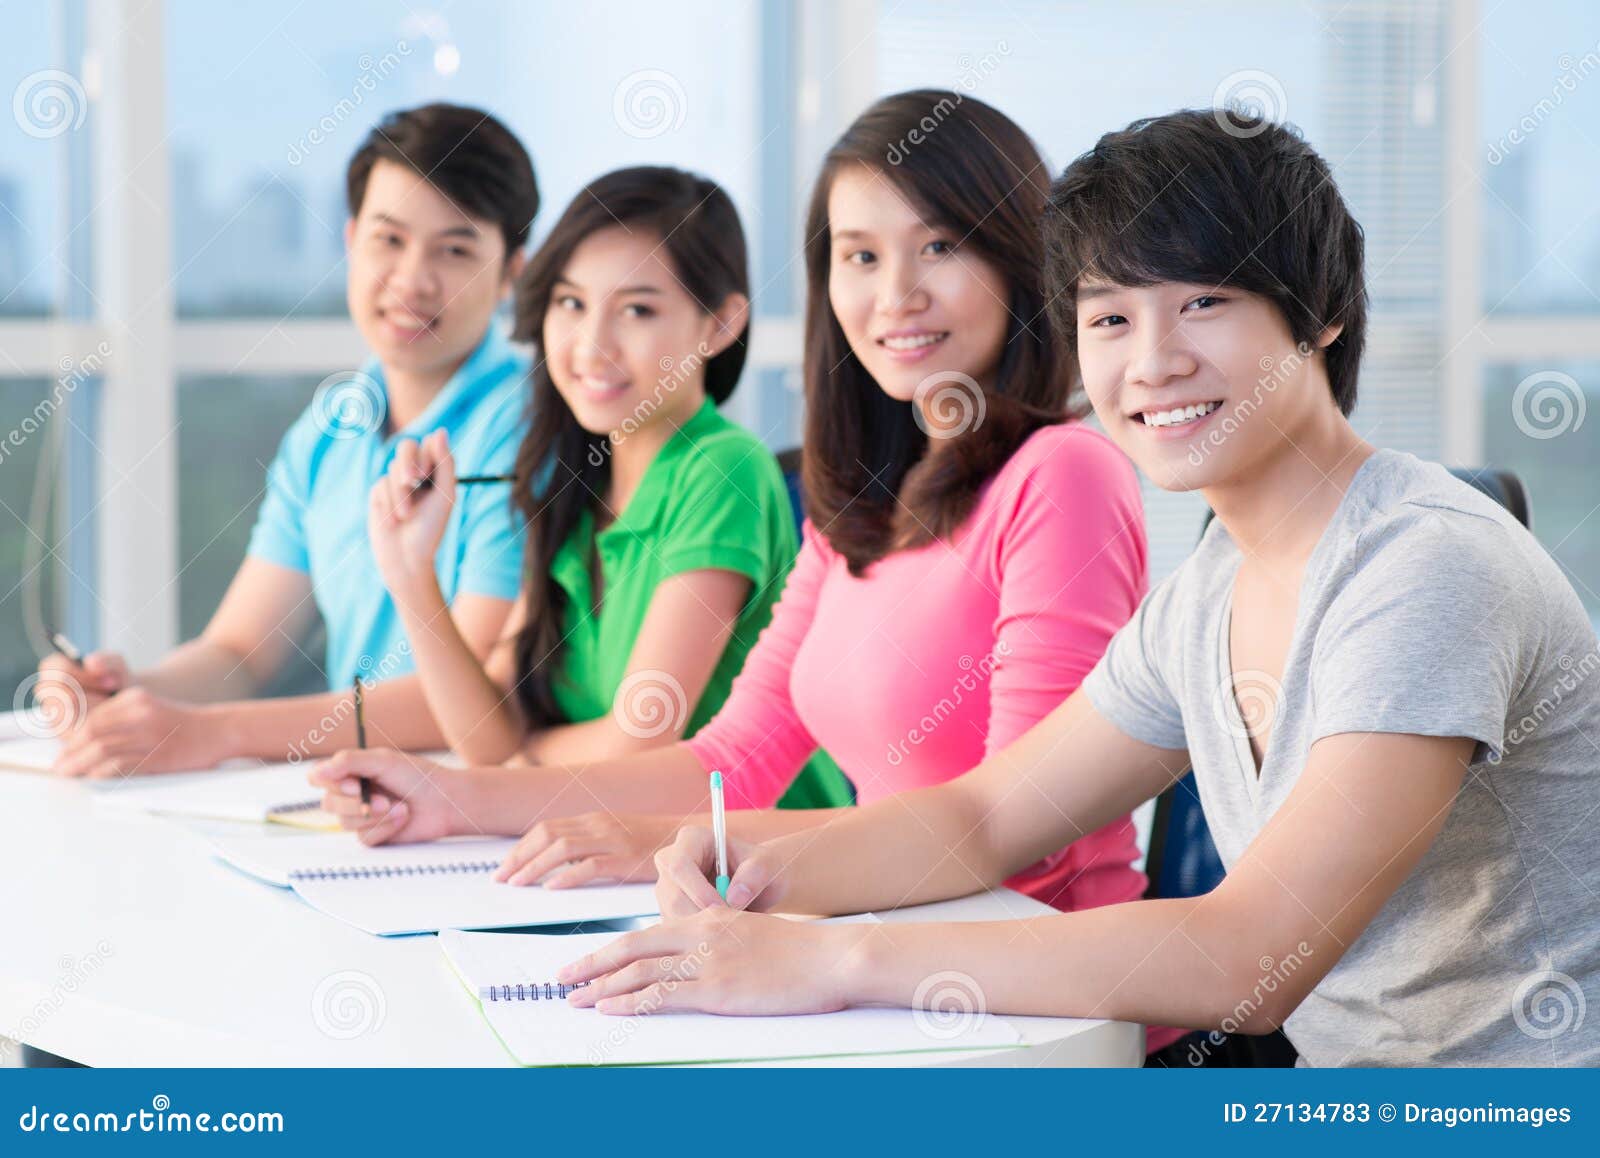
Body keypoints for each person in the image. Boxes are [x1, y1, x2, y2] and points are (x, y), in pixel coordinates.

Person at [564, 109, 1600, 1068]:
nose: (1151, 363)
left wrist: (830, 965)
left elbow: (1248, 959)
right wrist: (741, 863)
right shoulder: (1212, 587)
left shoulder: (1423, 568)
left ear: (1320, 315)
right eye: (1108, 320)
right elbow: (986, 817)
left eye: (1203, 302)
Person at [312, 92, 1151, 926]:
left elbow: (1013, 838)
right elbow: (734, 758)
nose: (895, 296)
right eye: (859, 257)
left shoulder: (1064, 475)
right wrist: (456, 799)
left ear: (1017, 258)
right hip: (884, 954)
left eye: (939, 246)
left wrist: (693, 853)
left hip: (1031, 998)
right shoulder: (861, 502)